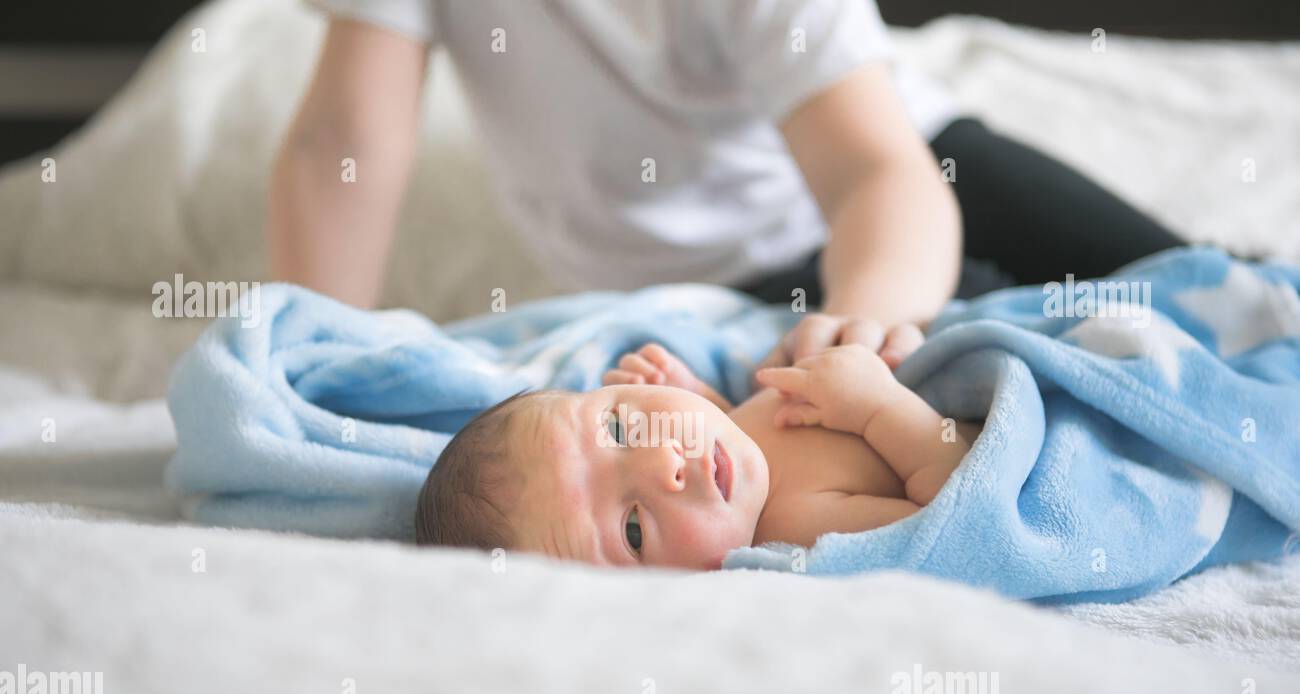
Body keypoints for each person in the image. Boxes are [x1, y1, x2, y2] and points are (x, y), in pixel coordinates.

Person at [270, 0, 1184, 372]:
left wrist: (862, 321)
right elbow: (340, 144)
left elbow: (878, 172)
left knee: (1193, 287)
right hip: (717, 287)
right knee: (1018, 359)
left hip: (919, 169)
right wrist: (308, 355)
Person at [414, 342, 978, 567]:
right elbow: (959, 518)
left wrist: (703, 395)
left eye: (618, 428)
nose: (664, 460)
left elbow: (746, 436)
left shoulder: (726, 448)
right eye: (632, 530)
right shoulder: (805, 527)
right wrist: (882, 408)